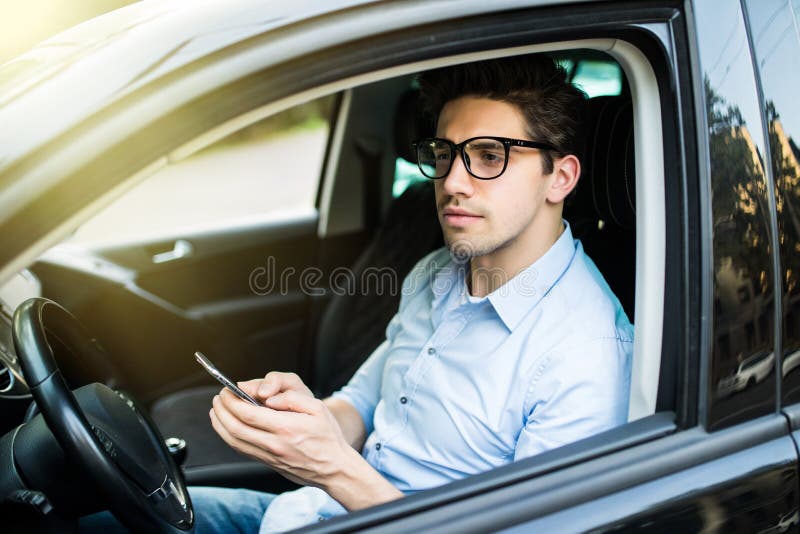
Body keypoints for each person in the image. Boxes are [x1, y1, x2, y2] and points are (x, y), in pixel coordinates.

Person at [82, 54, 633, 533]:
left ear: (560, 178)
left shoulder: (586, 356)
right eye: (444, 154)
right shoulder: (435, 271)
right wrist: (305, 420)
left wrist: (330, 467)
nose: (452, 182)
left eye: (489, 156)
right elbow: (366, 401)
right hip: (303, 514)